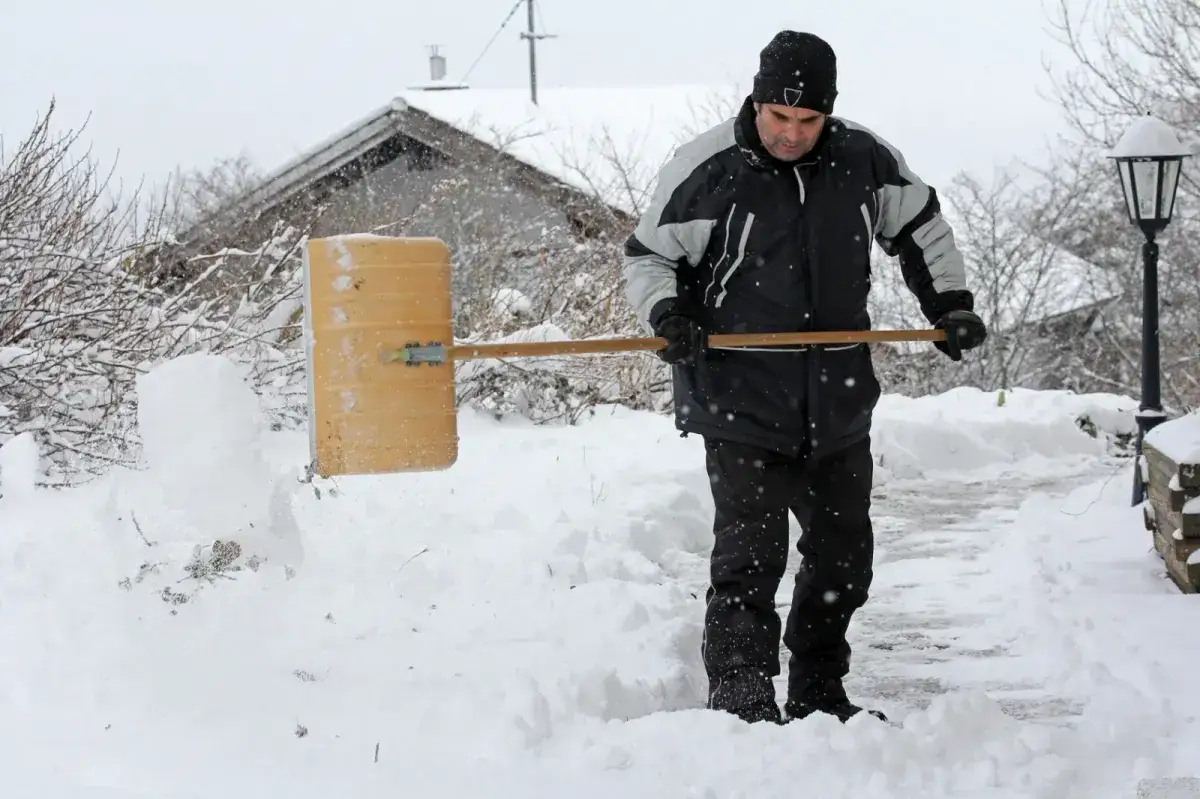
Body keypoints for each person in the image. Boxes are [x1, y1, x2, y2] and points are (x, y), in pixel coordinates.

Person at [621, 30, 987, 725]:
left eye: (807, 120)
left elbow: (922, 228)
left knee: (843, 557)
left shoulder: (862, 161)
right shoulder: (708, 170)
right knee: (750, 558)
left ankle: (820, 694)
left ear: (829, 113)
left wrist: (950, 304)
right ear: (756, 101)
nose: (791, 133)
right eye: (778, 117)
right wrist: (670, 312)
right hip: (738, 395)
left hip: (838, 398)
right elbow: (646, 258)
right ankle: (742, 700)